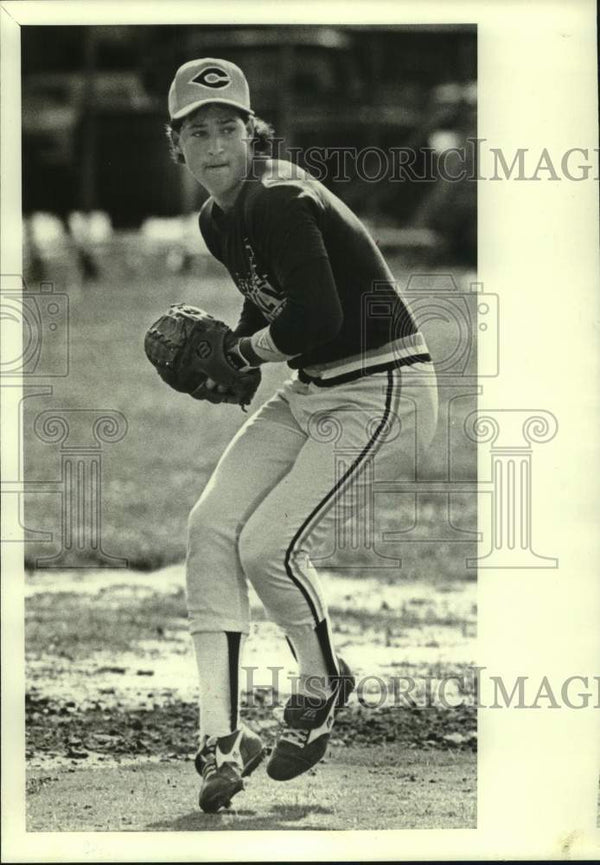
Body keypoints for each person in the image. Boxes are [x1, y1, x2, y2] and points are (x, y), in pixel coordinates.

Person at [165, 58, 439, 813]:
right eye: (198, 131)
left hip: (383, 387)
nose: (215, 142)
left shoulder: (279, 197)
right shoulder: (219, 218)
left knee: (270, 546)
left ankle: (323, 680)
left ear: (250, 135)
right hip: (315, 387)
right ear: (177, 146)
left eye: (228, 127)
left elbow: (313, 318)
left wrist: (244, 352)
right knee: (213, 527)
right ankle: (222, 738)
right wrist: (242, 359)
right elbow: (271, 306)